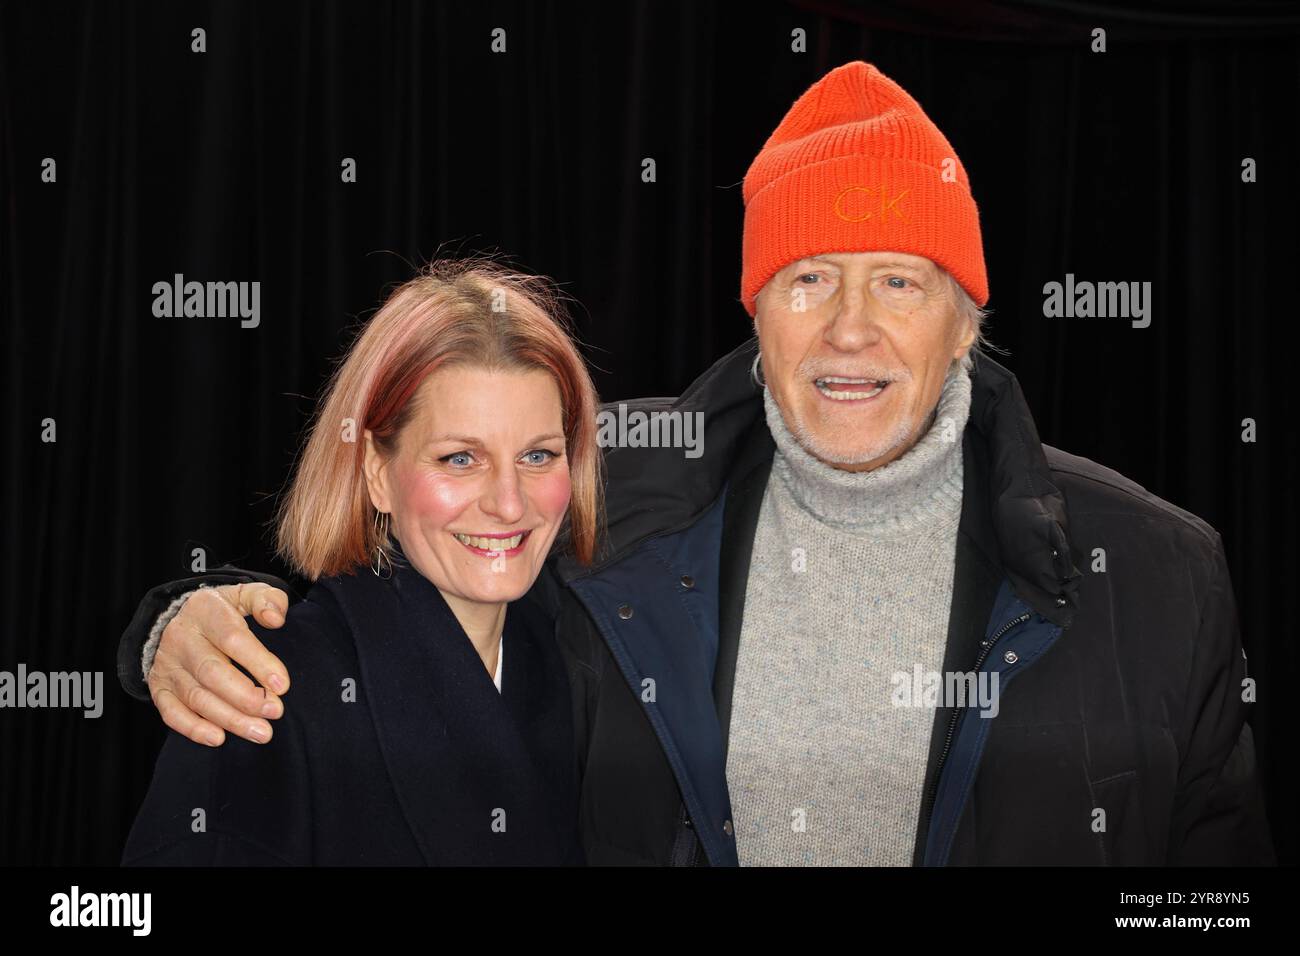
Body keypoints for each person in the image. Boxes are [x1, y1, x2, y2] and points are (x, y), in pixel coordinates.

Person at [118, 62, 1273, 866]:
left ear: (966, 318)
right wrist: (176, 624)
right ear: (754, 308)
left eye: (902, 281)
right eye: (808, 277)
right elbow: (420, 574)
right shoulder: (617, 504)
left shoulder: (1157, 574)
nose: (852, 328)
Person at [122, 258, 601, 865]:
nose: (509, 504)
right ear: (377, 472)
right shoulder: (257, 696)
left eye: (537, 456)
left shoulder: (575, 657)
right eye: (459, 459)